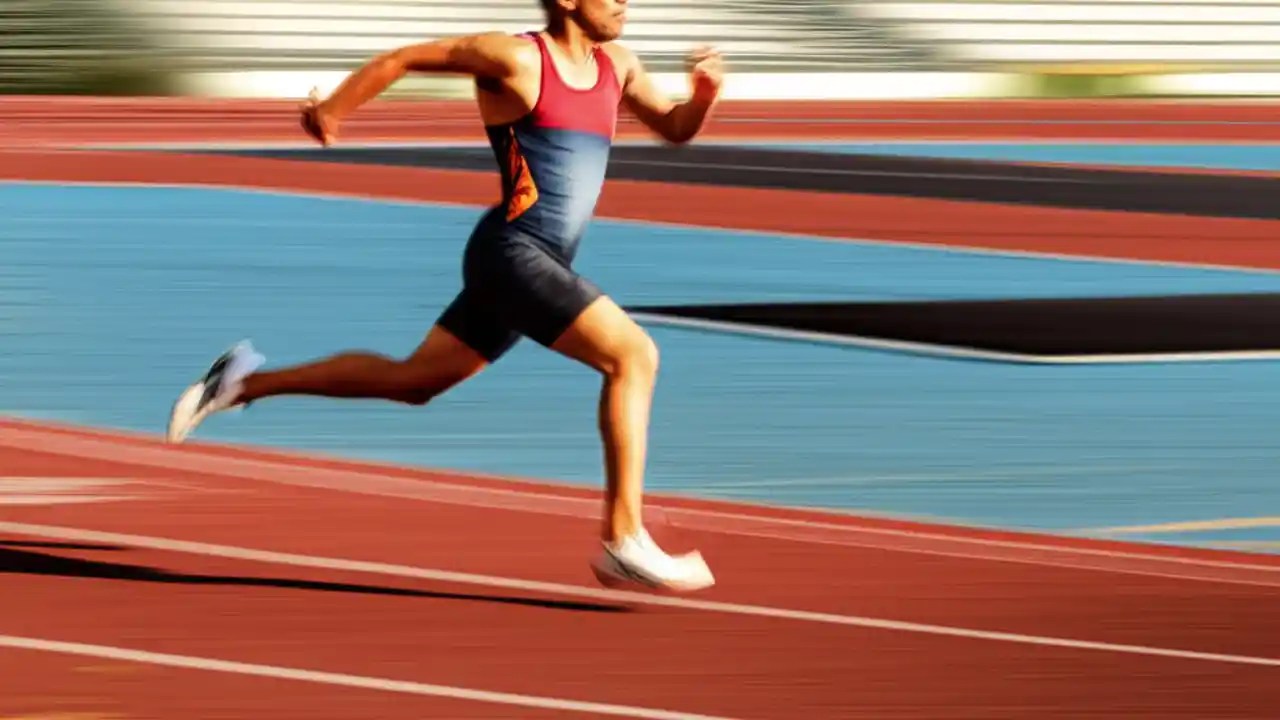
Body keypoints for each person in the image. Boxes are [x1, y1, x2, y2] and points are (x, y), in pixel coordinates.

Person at [166, 0, 724, 592]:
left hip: (533, 261)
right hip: (513, 255)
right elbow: (404, 57)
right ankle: (624, 537)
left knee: (416, 382)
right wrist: (335, 108)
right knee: (632, 356)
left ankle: (240, 382)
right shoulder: (512, 57)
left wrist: (705, 94)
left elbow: (674, 127)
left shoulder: (620, 64)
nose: (623, 3)